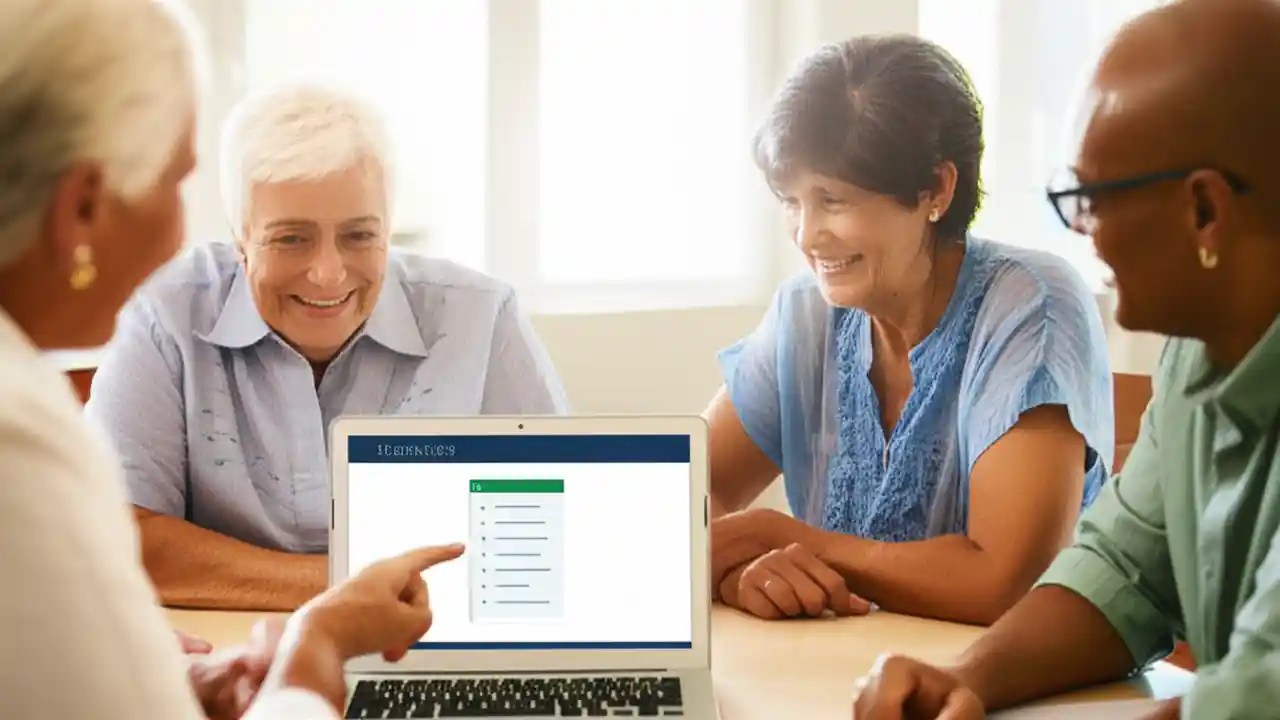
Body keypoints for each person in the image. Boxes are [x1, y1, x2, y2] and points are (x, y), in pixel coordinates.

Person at [0, 1, 464, 718]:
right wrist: (315, 647)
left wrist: (179, 686)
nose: (328, 275)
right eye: (175, 181)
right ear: (81, 210)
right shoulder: (18, 444)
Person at [850, 1, 1280, 718]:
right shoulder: (1198, 354)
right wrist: (970, 678)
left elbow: (1258, 693)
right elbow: (1123, 572)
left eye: (1090, 198)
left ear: (1205, 209)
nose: (1082, 233)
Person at [85, 84, 569, 611]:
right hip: (234, 660)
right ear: (240, 238)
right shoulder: (162, 315)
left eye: (359, 236)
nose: (328, 274)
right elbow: (121, 542)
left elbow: (552, 530)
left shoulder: (482, 316)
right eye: (291, 238)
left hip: (429, 644)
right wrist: (355, 588)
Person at [707, 34, 1115, 625]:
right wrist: (739, 572)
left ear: (937, 190)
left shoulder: (1032, 305)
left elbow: (1003, 582)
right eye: (792, 201)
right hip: (835, 674)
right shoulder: (806, 313)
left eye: (834, 200)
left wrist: (789, 540)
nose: (805, 234)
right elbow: (689, 492)